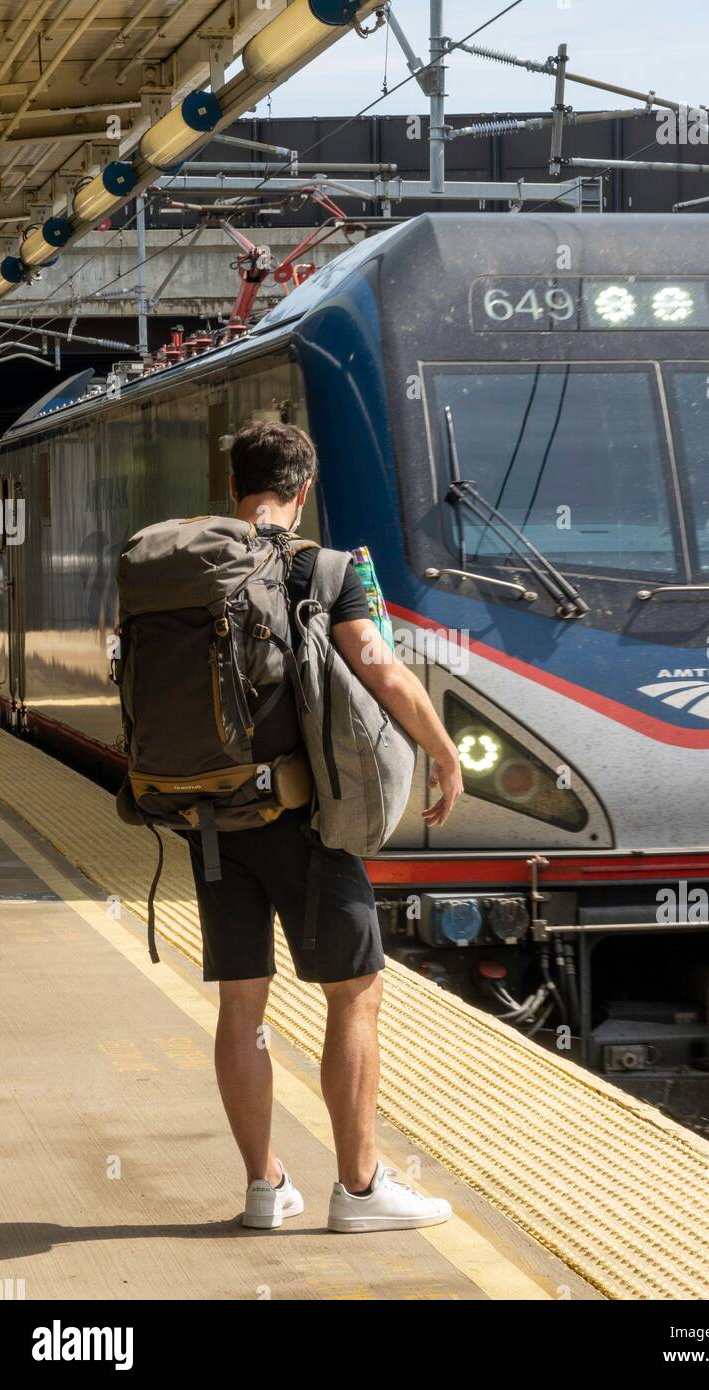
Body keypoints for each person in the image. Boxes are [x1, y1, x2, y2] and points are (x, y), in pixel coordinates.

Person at [188, 419, 464, 1232]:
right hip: (304, 823)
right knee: (355, 993)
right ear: (302, 490)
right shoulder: (324, 567)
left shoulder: (197, 566)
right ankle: (360, 1190)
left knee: (243, 1003)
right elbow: (378, 669)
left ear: (233, 489)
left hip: (210, 816)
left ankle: (264, 1190)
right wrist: (442, 752)